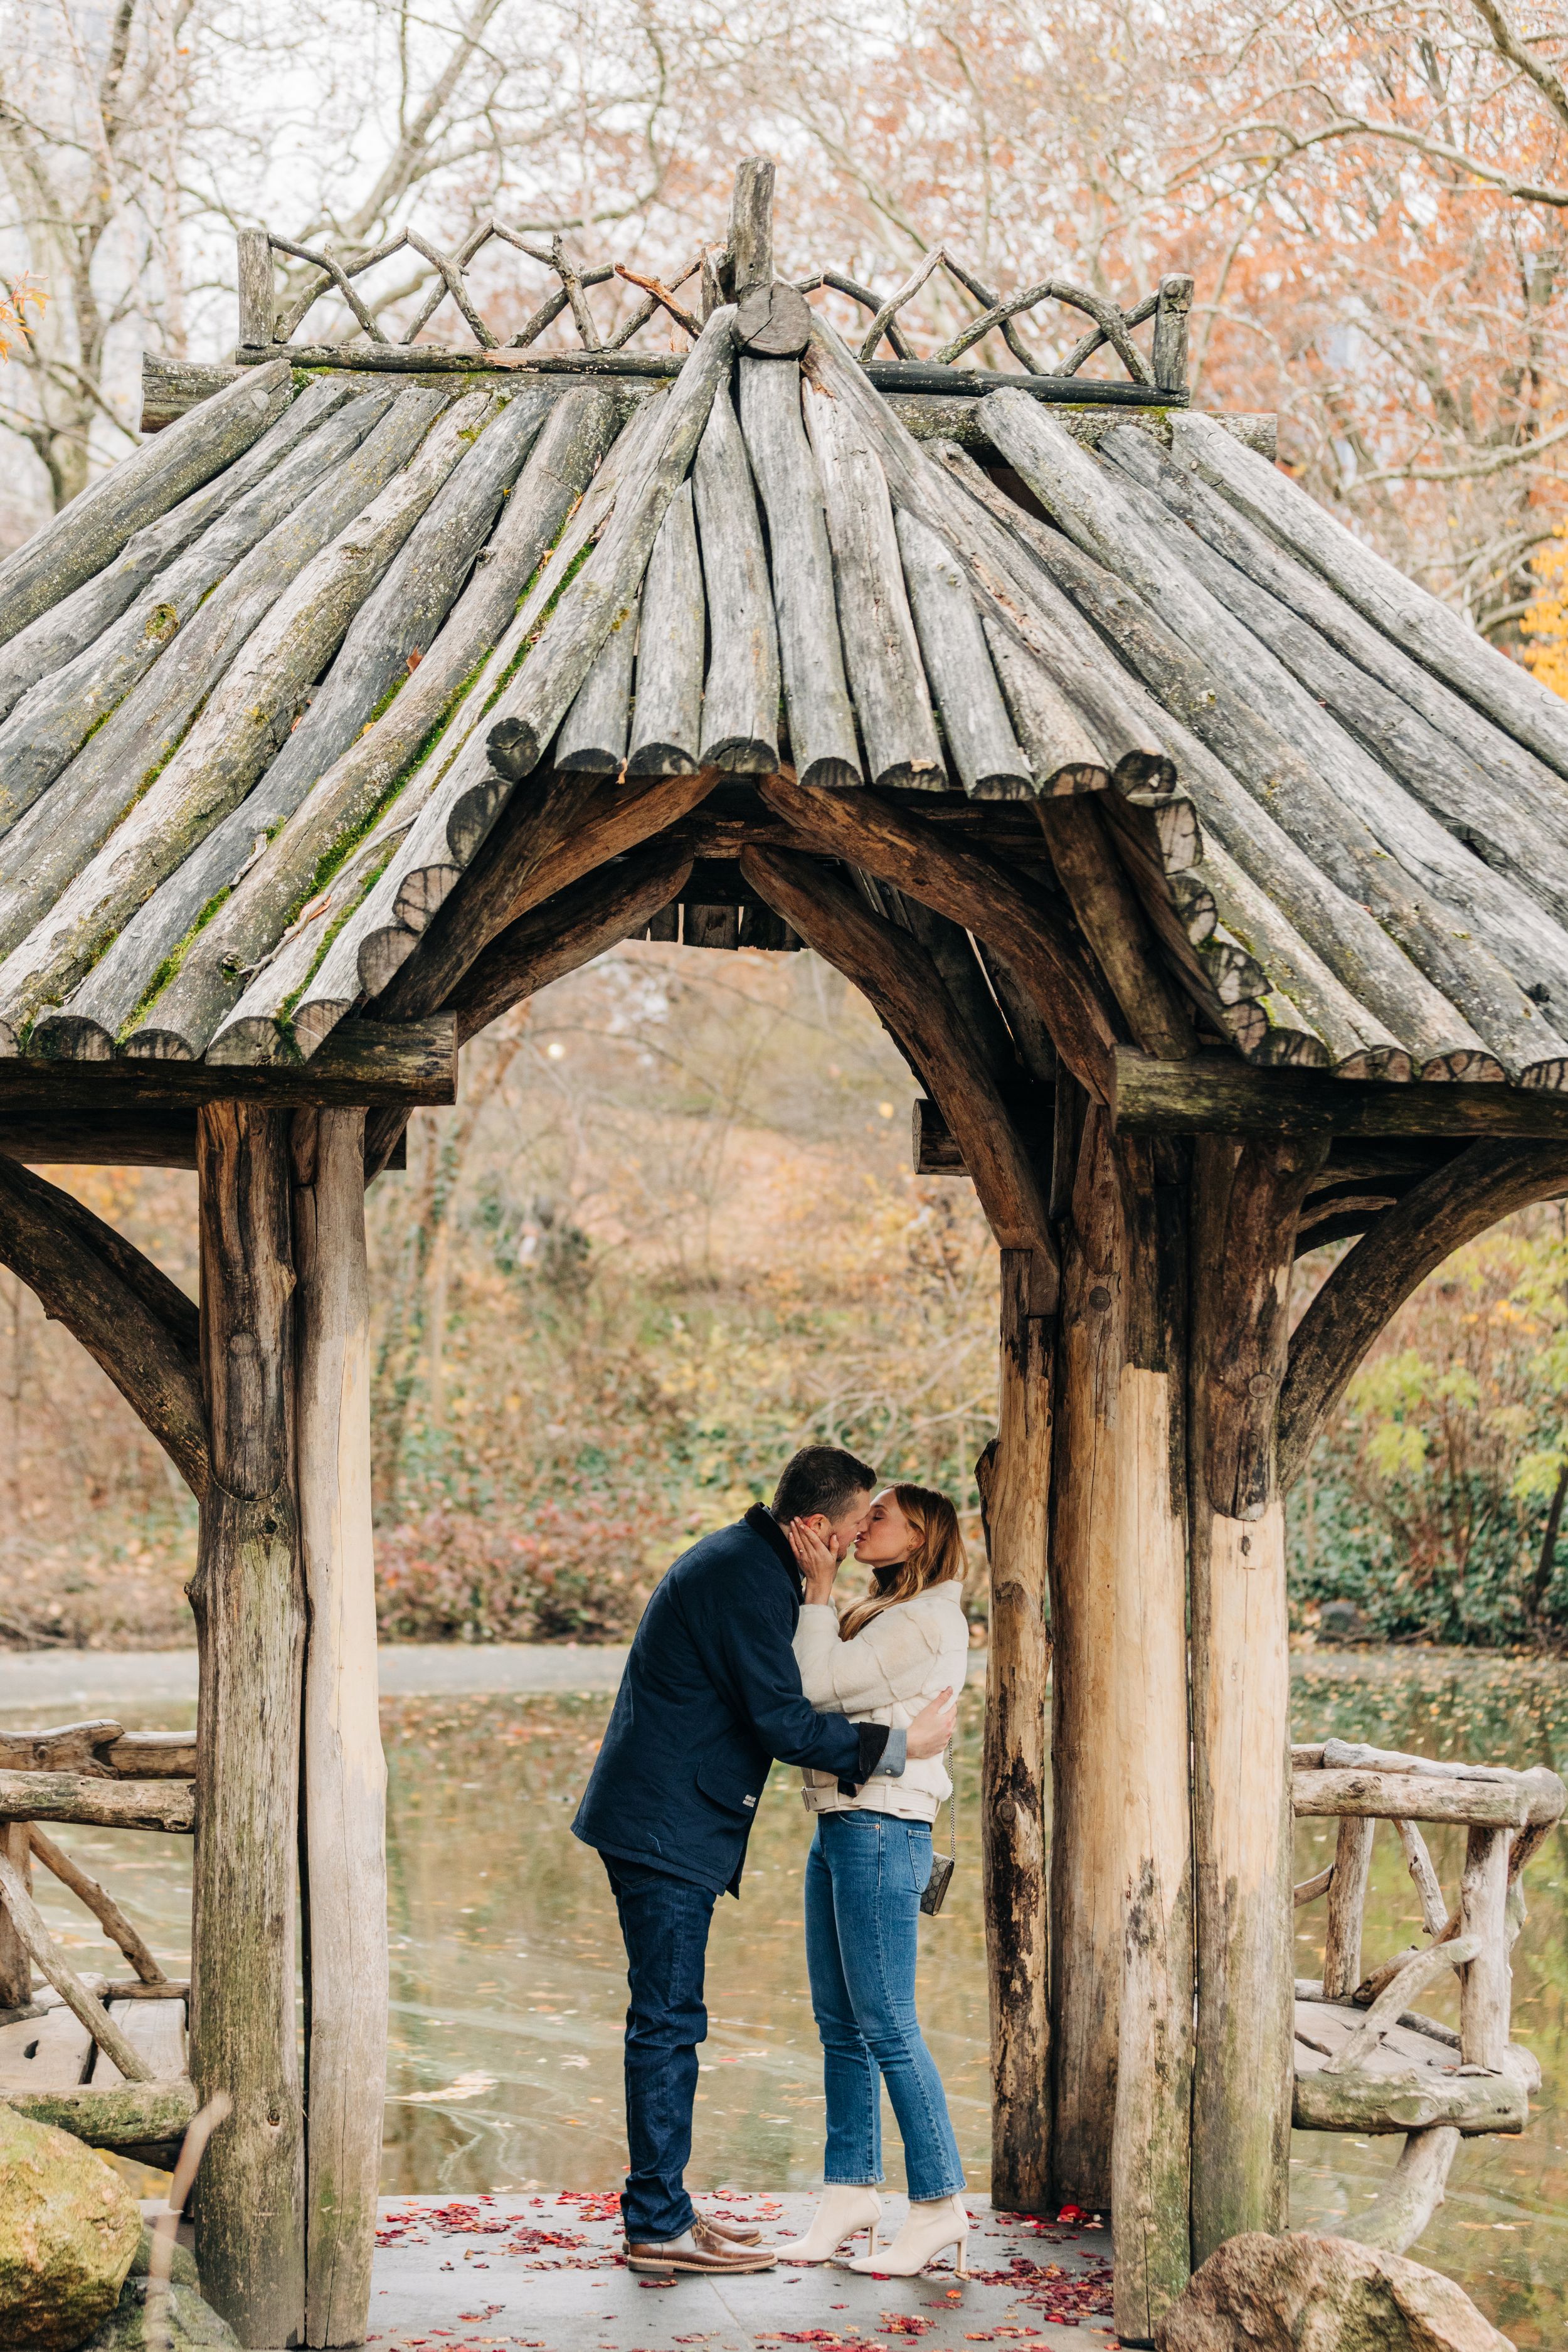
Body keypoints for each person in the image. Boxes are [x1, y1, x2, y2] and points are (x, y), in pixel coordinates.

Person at [572, 1446, 958, 2279]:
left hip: (671, 1819)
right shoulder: (745, 1576)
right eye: (852, 1525)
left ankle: (667, 2209)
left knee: (674, 2016)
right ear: (815, 1525)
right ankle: (657, 2224)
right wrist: (897, 1746)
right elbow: (785, 1720)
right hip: (664, 1825)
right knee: (668, 2020)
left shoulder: (754, 1564)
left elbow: (800, 1695)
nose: (854, 1541)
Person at [773, 1484, 972, 2279]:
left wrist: (818, 1589)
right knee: (840, 2024)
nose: (863, 1524)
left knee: (887, 2023)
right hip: (843, 1822)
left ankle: (938, 2206)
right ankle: (849, 2193)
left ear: (920, 1537)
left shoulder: (925, 1622)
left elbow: (813, 1690)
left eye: (880, 1515)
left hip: (883, 1827)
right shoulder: (885, 1614)